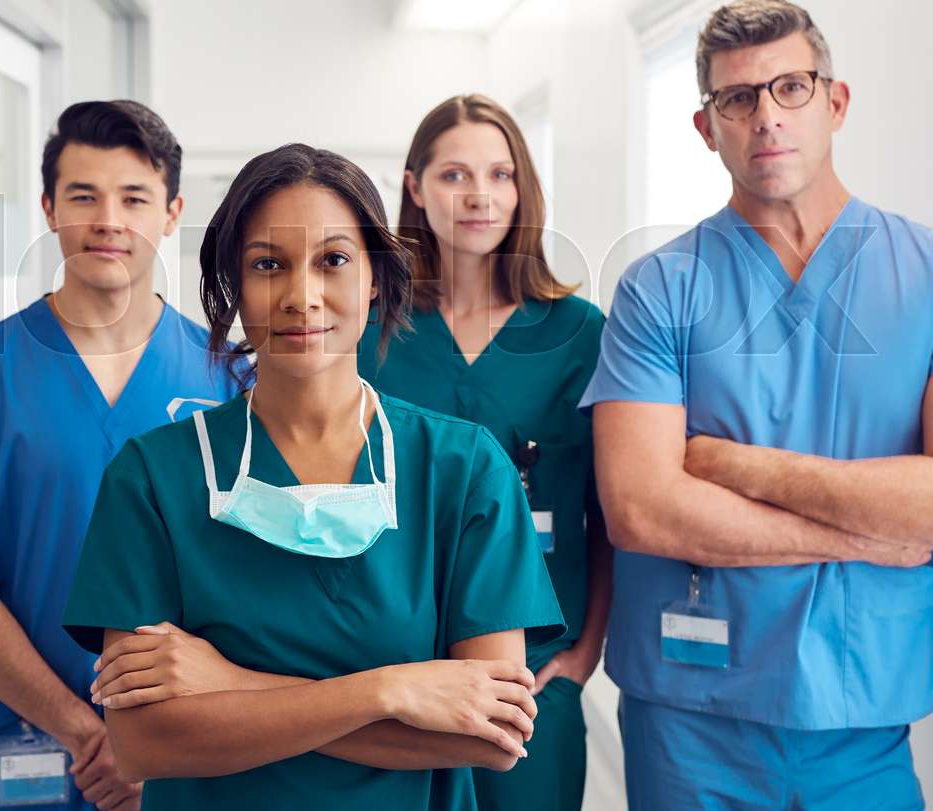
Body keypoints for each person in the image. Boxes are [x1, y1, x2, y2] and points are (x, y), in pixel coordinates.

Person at [581, 0, 933, 809]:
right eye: (737, 98)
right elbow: (643, 509)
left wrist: (736, 466)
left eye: (790, 88)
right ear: (706, 127)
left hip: (867, 717)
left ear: (835, 101)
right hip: (689, 721)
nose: (766, 117)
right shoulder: (658, 291)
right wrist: (875, 534)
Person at [62, 143, 566, 810]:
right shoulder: (153, 478)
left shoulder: (463, 470)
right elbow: (143, 743)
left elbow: (493, 734)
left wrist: (231, 683)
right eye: (268, 264)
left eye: (333, 260)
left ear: (376, 279)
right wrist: (391, 691)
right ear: (234, 287)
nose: (302, 296)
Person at [0, 100, 236, 811]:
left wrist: (156, 746)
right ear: (48, 207)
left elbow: (259, 589)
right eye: (83, 196)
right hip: (20, 753)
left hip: (189, 762)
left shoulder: (227, 379)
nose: (108, 220)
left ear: (173, 211)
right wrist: (87, 736)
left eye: (134, 197)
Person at [359, 94, 608, 811]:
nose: (480, 196)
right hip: (395, 670)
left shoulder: (577, 333)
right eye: (455, 175)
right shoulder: (373, 331)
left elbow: (607, 513)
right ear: (414, 187)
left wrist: (586, 651)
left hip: (534, 677)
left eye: (500, 175)